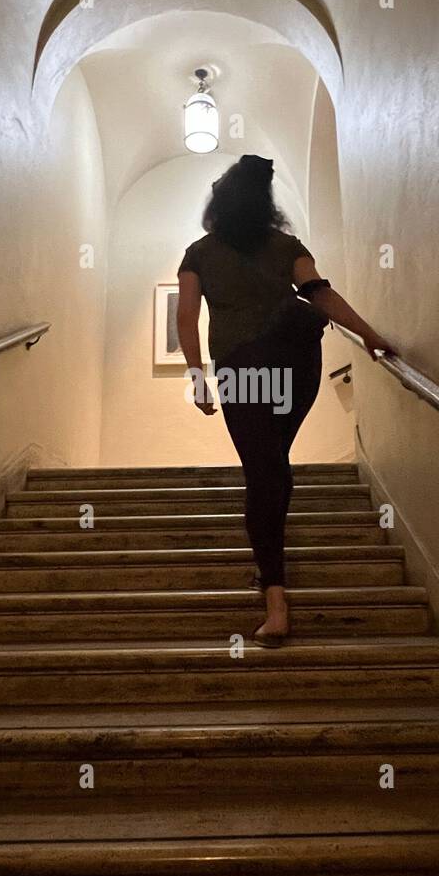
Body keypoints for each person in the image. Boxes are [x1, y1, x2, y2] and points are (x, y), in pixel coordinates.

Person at [176, 154, 395, 647]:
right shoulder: (286, 245)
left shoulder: (199, 253)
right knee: (274, 463)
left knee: (264, 469)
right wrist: (368, 335)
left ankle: (276, 598)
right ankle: (273, 583)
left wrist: (197, 376)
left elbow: (187, 316)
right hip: (298, 364)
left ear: (219, 204)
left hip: (241, 369)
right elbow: (318, 293)